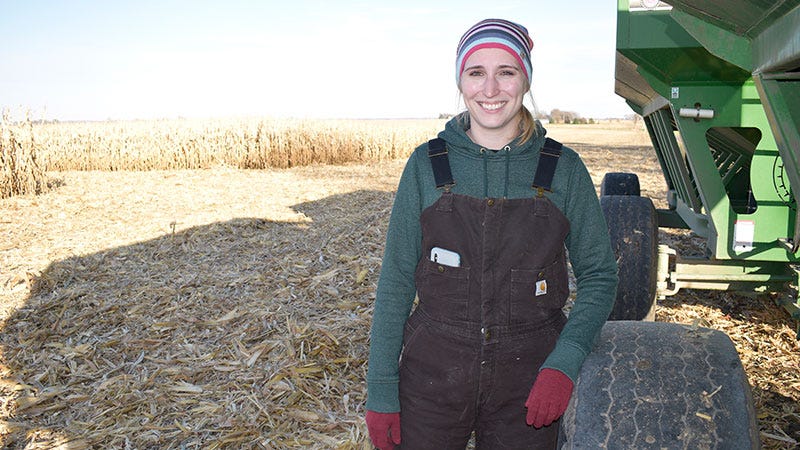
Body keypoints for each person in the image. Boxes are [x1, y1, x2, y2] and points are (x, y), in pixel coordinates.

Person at [365, 18, 618, 449]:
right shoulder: (427, 165)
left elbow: (599, 275)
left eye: (507, 71)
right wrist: (381, 389)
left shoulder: (564, 169)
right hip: (433, 376)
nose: (490, 89)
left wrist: (564, 363)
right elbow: (395, 281)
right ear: (460, 81)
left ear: (526, 79)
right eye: (476, 72)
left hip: (531, 379)